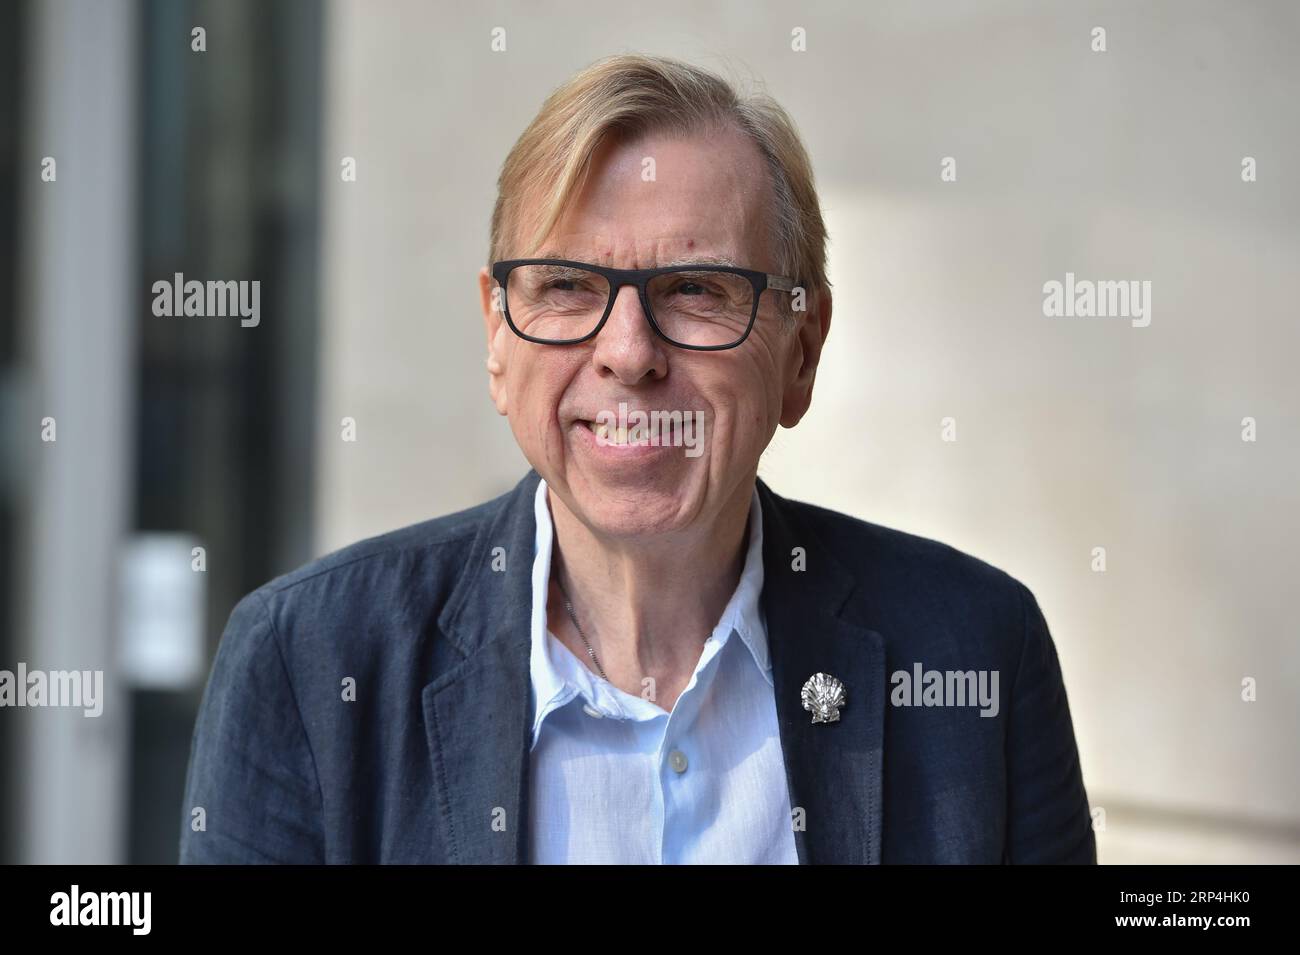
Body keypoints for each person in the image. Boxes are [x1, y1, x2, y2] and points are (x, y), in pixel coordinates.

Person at [179, 53, 1095, 864]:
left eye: (697, 290)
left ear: (801, 351)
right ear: (497, 340)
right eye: (568, 286)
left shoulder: (976, 652)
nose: (627, 351)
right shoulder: (306, 664)